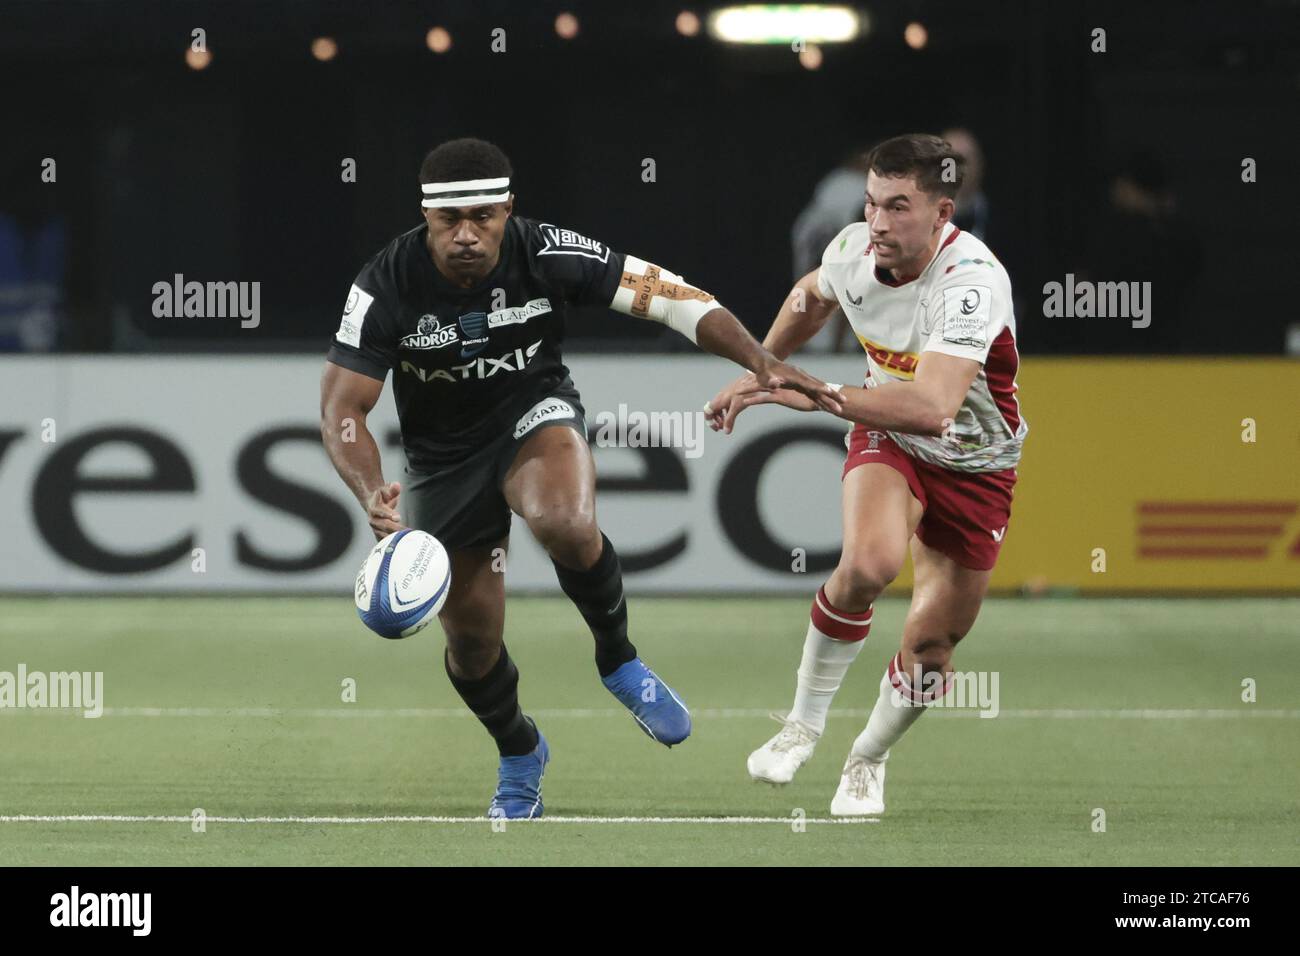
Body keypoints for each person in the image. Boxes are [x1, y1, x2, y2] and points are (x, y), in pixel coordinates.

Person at [320, 137, 841, 819]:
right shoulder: (384, 283)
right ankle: (519, 750)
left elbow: (675, 300)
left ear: (510, 209)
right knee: (472, 645)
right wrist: (370, 494)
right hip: (441, 459)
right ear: (426, 218)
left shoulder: (546, 251)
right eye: (451, 222)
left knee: (563, 519)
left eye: (483, 217)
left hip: (532, 413)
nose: (468, 236)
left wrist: (762, 361)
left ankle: (618, 659)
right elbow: (342, 408)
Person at [705, 133, 1027, 815]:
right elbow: (811, 295)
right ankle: (801, 724)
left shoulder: (971, 281)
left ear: (942, 213)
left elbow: (935, 409)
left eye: (899, 208)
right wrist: (762, 367)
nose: (878, 223)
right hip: (890, 435)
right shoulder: (853, 248)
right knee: (867, 565)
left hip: (975, 461)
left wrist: (814, 389)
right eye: (872, 203)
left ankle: (867, 758)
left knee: (932, 648)